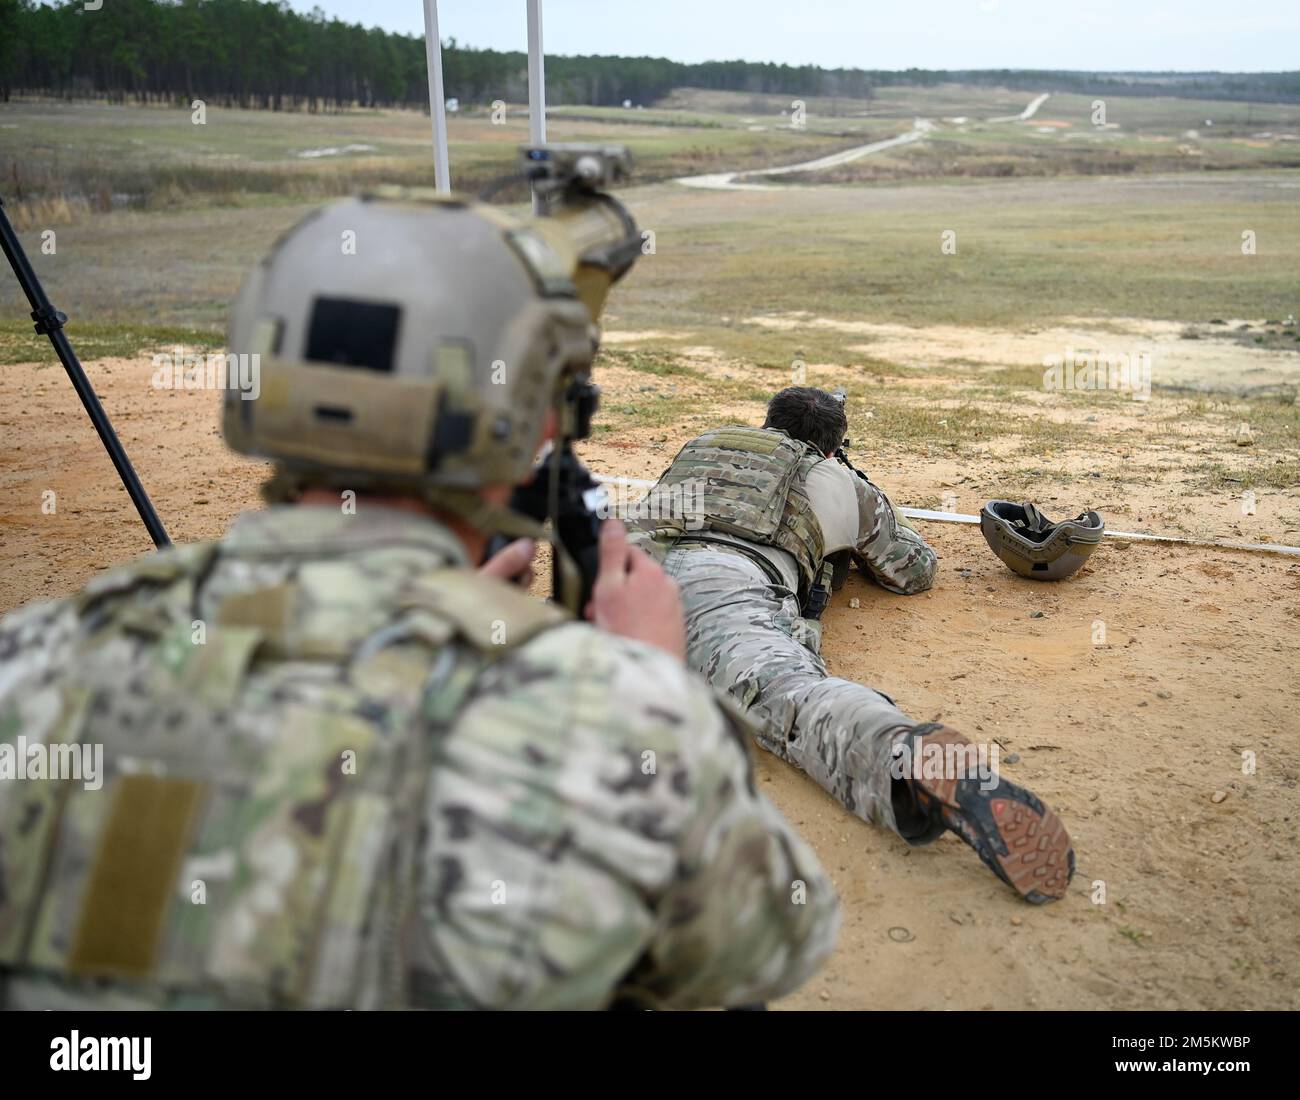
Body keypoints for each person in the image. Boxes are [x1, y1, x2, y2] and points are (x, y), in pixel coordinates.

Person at [0, 193, 839, 1009]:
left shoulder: (29, 664)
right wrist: (658, 689)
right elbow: (766, 944)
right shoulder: (602, 719)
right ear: (518, 422)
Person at [630, 386, 1074, 904]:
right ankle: (901, 755)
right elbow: (914, 571)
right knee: (783, 693)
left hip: (615, 574)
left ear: (768, 422)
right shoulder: (835, 480)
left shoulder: (707, 441)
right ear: (834, 445)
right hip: (718, 585)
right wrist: (864, 501)